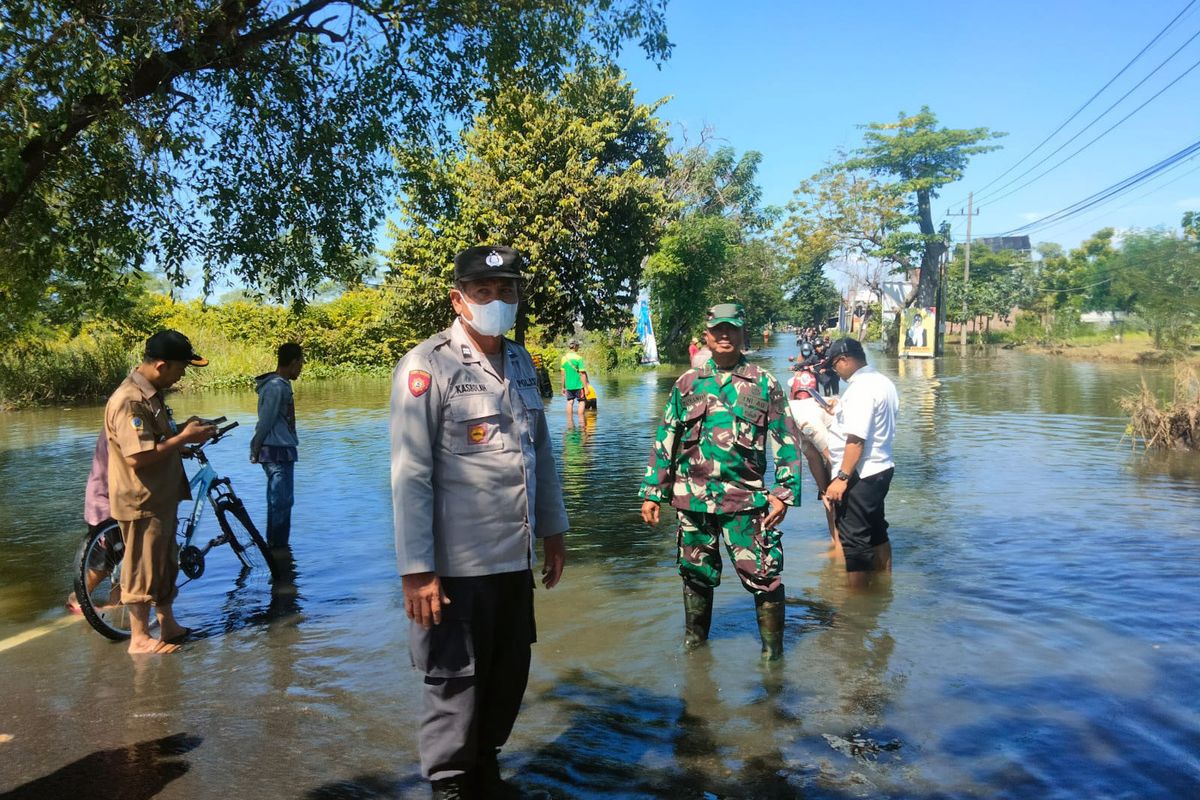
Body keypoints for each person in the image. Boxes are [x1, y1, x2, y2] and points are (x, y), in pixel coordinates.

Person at [391, 245, 569, 800]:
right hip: (455, 566)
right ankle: (448, 785)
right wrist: (418, 570)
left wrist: (553, 528)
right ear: (458, 298)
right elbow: (410, 474)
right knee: (454, 682)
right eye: (484, 291)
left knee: (509, 670)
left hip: (512, 558)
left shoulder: (522, 362)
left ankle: (485, 767)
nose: (497, 301)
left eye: (507, 290)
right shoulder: (427, 365)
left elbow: (539, 451)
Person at [638, 303, 803, 662]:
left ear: (743, 335)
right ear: (708, 336)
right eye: (719, 330)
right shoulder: (687, 383)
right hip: (692, 503)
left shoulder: (764, 383)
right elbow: (666, 436)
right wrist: (653, 492)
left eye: (733, 330)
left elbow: (787, 440)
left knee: (764, 576)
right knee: (695, 575)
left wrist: (782, 494)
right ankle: (695, 648)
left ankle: (773, 657)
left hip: (745, 502)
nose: (725, 336)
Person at [104, 330, 215, 655]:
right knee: (141, 565)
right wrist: (184, 439)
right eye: (181, 368)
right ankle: (139, 638)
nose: (182, 375)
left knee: (165, 563)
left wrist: (184, 431)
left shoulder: (150, 395)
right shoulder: (130, 401)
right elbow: (137, 457)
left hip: (161, 497)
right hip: (141, 500)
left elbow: (156, 442)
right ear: (163, 365)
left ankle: (168, 623)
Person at [820, 337, 899, 590]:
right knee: (876, 532)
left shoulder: (860, 389)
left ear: (843, 360)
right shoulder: (882, 382)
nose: (836, 372)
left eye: (834, 366)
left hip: (860, 474)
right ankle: (885, 585)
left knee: (854, 542)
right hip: (881, 467)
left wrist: (841, 479)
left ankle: (857, 606)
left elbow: (856, 440)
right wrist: (840, 409)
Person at [250, 342, 304, 549]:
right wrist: (255, 446)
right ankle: (278, 551)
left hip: (283, 450)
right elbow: (266, 420)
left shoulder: (282, 384)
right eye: (301, 364)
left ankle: (279, 550)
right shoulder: (275, 386)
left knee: (282, 503)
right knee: (280, 503)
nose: (301, 368)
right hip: (275, 451)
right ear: (294, 362)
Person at [560, 339, 590, 423]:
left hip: (568, 385)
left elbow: (563, 374)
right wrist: (586, 387)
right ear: (575, 346)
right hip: (578, 385)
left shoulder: (564, 358)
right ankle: (581, 421)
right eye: (578, 346)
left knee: (570, 402)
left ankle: (570, 422)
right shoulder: (578, 358)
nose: (579, 347)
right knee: (581, 402)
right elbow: (582, 374)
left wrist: (563, 387)